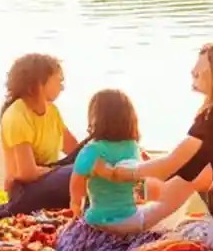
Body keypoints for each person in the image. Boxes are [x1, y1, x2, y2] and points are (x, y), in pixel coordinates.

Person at [93, 44, 213, 251]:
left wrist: (126, 173)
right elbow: (186, 171)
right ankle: (134, 205)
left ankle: (134, 215)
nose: (193, 73)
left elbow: (169, 167)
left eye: (199, 70)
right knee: (190, 179)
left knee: (178, 228)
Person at [0, 53, 81, 217]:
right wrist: (59, 169)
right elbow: (27, 173)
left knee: (92, 155)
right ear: (39, 84)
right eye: (59, 81)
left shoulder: (52, 112)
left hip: (50, 180)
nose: (62, 87)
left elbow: (77, 151)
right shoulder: (17, 116)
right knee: (83, 170)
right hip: (25, 191)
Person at [69, 90, 163, 234]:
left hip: (98, 221)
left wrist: (76, 207)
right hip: (130, 221)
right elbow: (144, 182)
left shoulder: (91, 150)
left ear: (95, 119)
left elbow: (76, 186)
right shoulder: (133, 147)